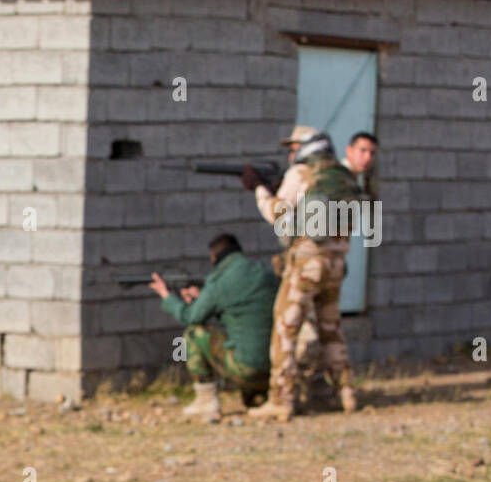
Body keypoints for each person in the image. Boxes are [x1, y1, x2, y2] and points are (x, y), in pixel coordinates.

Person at [243, 125, 362, 422]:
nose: (291, 154)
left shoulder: (301, 173)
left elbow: (278, 215)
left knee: (286, 328)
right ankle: (346, 392)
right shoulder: (343, 175)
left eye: (295, 148)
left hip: (308, 260)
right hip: (336, 261)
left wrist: (260, 190)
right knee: (331, 328)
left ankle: (281, 398)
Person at [149, 233, 278, 422]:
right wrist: (203, 297)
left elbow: (190, 317)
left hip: (245, 368)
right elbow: (240, 309)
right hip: (275, 369)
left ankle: (206, 398)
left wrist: (167, 296)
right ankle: (260, 394)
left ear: (214, 257)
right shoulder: (264, 273)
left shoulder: (220, 281)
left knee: (193, 334)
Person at [342, 131, 378, 198]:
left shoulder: (360, 179)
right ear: (349, 150)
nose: (368, 158)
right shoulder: (338, 177)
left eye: (372, 153)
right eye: (363, 150)